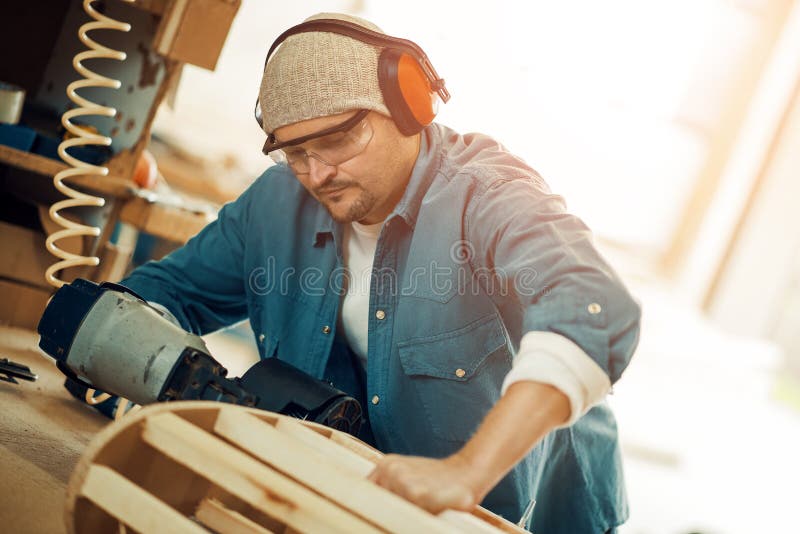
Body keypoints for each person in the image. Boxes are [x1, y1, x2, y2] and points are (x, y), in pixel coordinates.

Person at [121, 12, 641, 533]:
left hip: (534, 516)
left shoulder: (489, 196)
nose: (318, 174)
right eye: (296, 152)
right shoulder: (276, 204)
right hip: (364, 506)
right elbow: (157, 293)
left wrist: (465, 473)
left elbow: (593, 309)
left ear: (407, 106)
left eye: (338, 141)